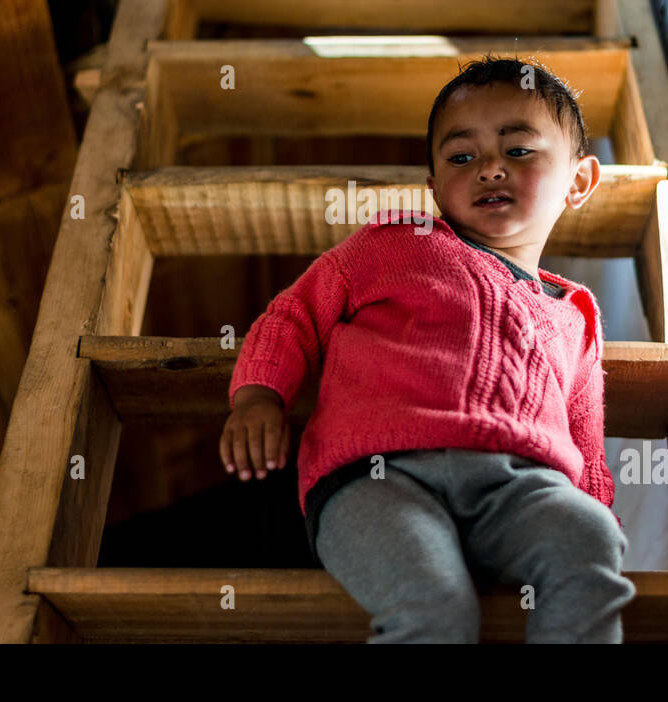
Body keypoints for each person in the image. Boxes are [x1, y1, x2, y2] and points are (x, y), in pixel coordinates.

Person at [220, 54, 636, 642]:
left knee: (589, 540)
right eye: (461, 157)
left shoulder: (576, 319)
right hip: (379, 480)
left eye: (518, 150)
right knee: (434, 607)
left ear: (578, 180)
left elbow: (585, 442)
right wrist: (259, 395)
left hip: (521, 489)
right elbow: (294, 313)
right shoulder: (396, 245)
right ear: (434, 186)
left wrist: (593, 514)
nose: (490, 168)